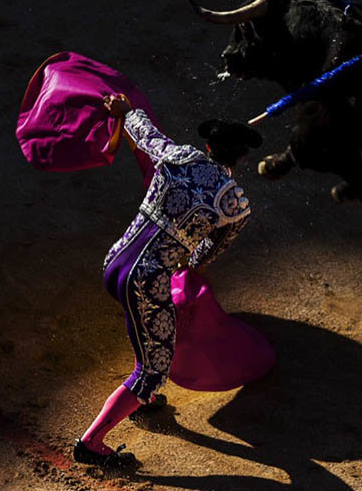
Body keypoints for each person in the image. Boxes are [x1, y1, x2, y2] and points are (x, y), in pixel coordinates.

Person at [74, 94, 262, 467]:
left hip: (115, 262)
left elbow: (144, 134)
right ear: (241, 158)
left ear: (207, 146)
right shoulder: (234, 203)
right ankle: (91, 443)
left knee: (147, 326)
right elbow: (209, 251)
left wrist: (125, 110)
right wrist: (187, 266)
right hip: (148, 279)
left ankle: (142, 395)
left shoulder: (181, 156)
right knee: (154, 370)